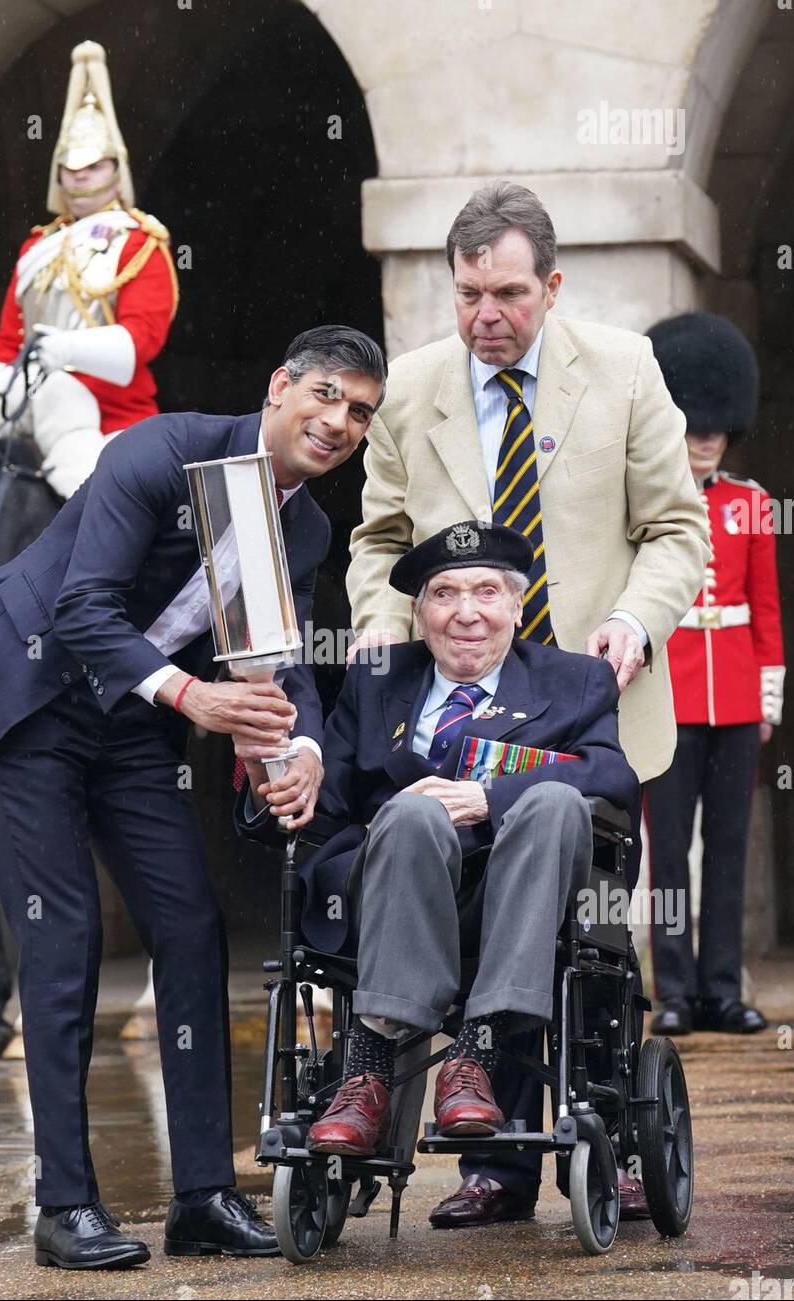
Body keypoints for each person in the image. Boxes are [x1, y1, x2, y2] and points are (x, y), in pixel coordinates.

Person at [0, 325, 387, 1269]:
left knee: (190, 924)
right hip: (30, 695)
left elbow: (274, 665)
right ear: (280, 384)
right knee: (64, 935)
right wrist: (193, 697)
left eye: (361, 412)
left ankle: (204, 1196)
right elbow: (84, 607)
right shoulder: (163, 452)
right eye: (326, 395)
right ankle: (65, 1206)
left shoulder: (302, 527)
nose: (338, 422)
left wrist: (296, 747)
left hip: (133, 728)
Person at [342, 180, 709, 1229]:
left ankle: (613, 1138)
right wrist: (379, 620)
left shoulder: (626, 370)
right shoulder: (412, 389)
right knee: (466, 912)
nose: (484, 316)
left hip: (591, 710)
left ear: (549, 285)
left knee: (590, 930)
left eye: (506, 292)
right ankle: (493, 1162)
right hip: (456, 713)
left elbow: (675, 529)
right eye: (466, 295)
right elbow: (377, 543)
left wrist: (636, 624)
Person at [238, 523, 639, 1178]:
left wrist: (489, 798)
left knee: (555, 800)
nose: (466, 612)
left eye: (486, 592)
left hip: (508, 897)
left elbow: (611, 775)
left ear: (516, 604)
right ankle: (367, 1074)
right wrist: (271, 778)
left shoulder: (574, 681)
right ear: (419, 613)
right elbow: (326, 798)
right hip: (390, 889)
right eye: (444, 594)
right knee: (415, 814)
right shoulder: (376, 682)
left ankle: (476, 1052)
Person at [644, 313, 785, 1036]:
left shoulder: (751, 504)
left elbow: (765, 611)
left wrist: (766, 699)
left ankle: (723, 988)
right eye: (694, 424)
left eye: (715, 427)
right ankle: (674, 988)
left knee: (727, 851)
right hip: (666, 700)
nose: (705, 437)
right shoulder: (649, 504)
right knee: (668, 854)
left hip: (732, 697)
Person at [0, 41, 178, 499]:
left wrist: (66, 350)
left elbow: (141, 338)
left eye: (93, 164)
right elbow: (6, 340)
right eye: (70, 166)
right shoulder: (37, 246)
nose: (79, 175)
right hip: (24, 407)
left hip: (112, 417)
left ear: (117, 170)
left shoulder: (140, 240)